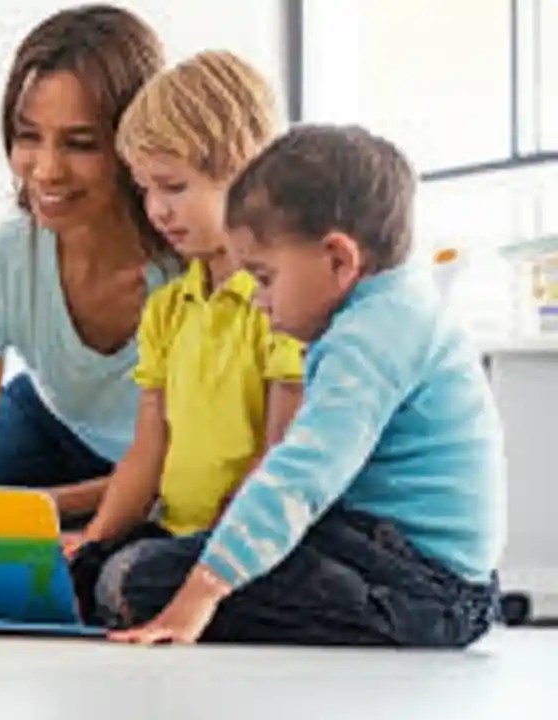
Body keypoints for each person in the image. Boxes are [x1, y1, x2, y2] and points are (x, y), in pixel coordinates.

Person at [110, 125, 504, 647]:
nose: (257, 299)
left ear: (340, 260)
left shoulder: (371, 337)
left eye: (265, 277)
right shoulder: (388, 311)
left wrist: (202, 591)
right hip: (390, 556)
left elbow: (304, 473)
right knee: (135, 570)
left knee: (136, 579)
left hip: (424, 587)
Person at [62, 51, 303, 623]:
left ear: (248, 174)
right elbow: (147, 451)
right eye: (145, 190)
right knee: (84, 572)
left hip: (243, 539)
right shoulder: (169, 308)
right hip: (172, 529)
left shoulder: (283, 302)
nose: (156, 210)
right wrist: (92, 538)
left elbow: (279, 451)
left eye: (172, 186)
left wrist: (221, 549)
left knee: (129, 581)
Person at [0, 5, 179, 510]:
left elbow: (190, 476)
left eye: (80, 143)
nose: (45, 170)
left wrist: (39, 508)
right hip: (50, 426)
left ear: (135, 144)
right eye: (28, 137)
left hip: (162, 465)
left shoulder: (194, 268)